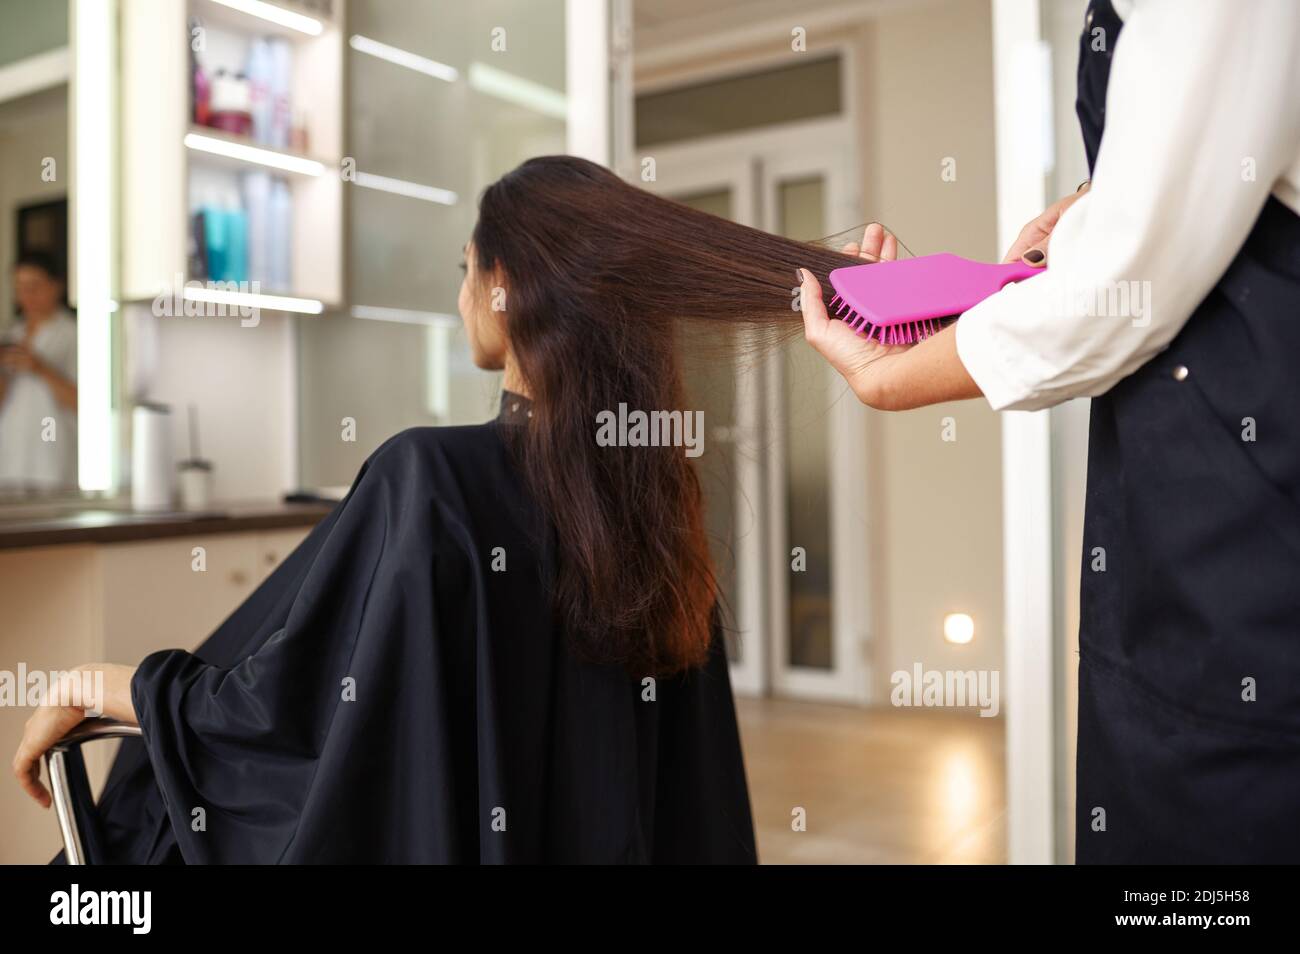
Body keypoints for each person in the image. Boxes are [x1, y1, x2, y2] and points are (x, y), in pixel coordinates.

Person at [13, 156, 870, 864]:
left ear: (508, 285)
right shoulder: (655, 498)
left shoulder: (430, 474)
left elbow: (280, 716)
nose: (462, 293)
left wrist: (107, 684)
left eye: (468, 268)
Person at [799, 0, 1300, 862]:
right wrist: (1090, 211)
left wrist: (895, 375)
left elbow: (1130, 278)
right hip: (1175, 502)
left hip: (1247, 526)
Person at [0, 253, 77, 494]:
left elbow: (87, 404)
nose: (27, 295)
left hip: (52, 457)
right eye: (20, 287)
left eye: (35, 286)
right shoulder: (11, 333)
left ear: (56, 285)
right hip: (10, 458)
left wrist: (40, 367)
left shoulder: (74, 334)